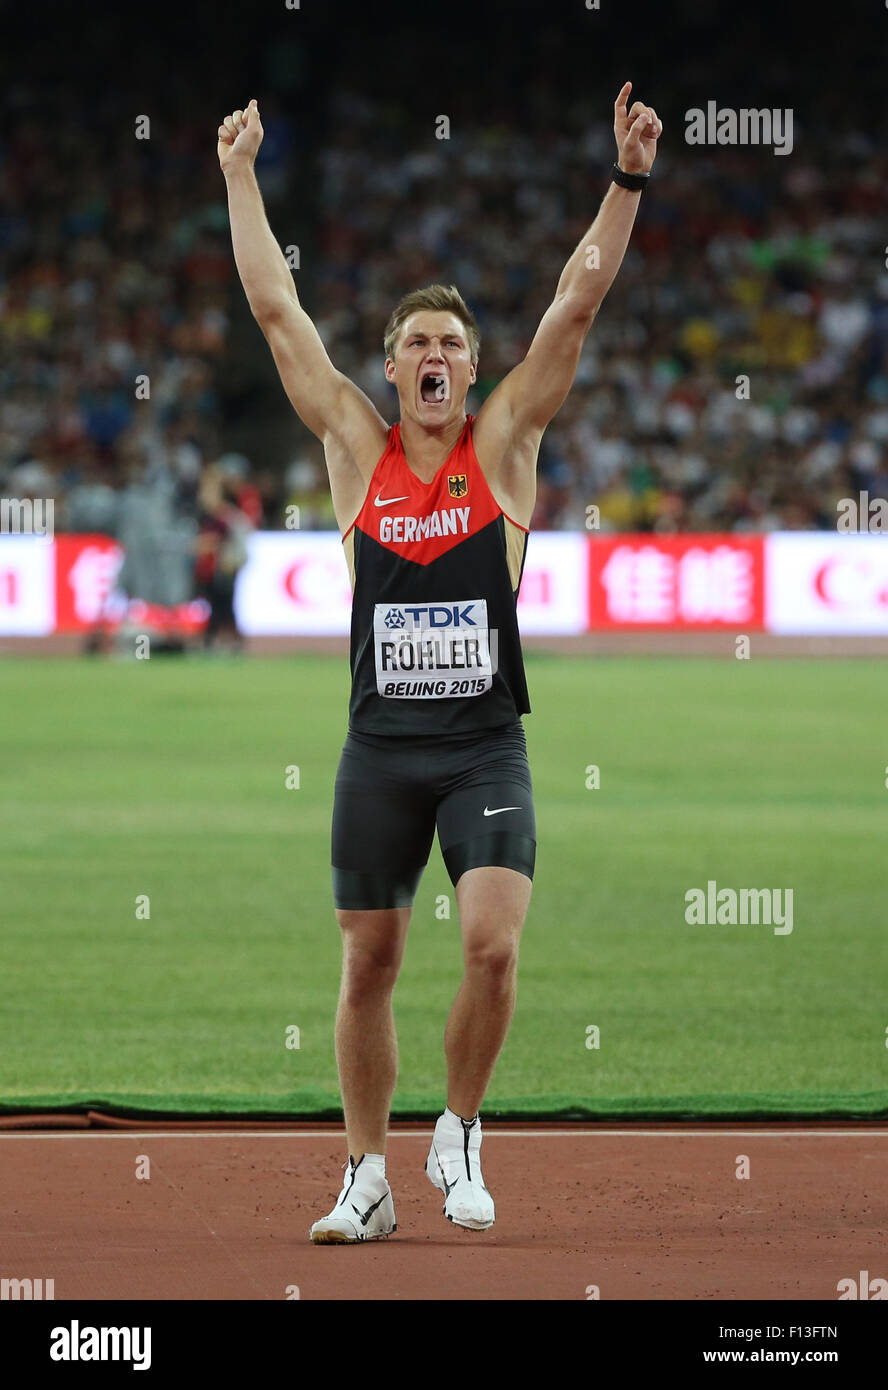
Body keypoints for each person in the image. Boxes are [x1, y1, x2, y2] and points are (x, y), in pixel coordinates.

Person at [218, 85, 662, 1242]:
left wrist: (627, 180)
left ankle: (456, 1130)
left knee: (493, 943)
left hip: (481, 748)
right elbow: (276, 312)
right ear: (393, 362)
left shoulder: (505, 445)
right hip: (379, 752)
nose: (435, 356)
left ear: (470, 371)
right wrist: (238, 175)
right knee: (368, 963)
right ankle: (365, 1179)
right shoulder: (356, 449)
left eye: (452, 344)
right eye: (416, 342)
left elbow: (576, 301)